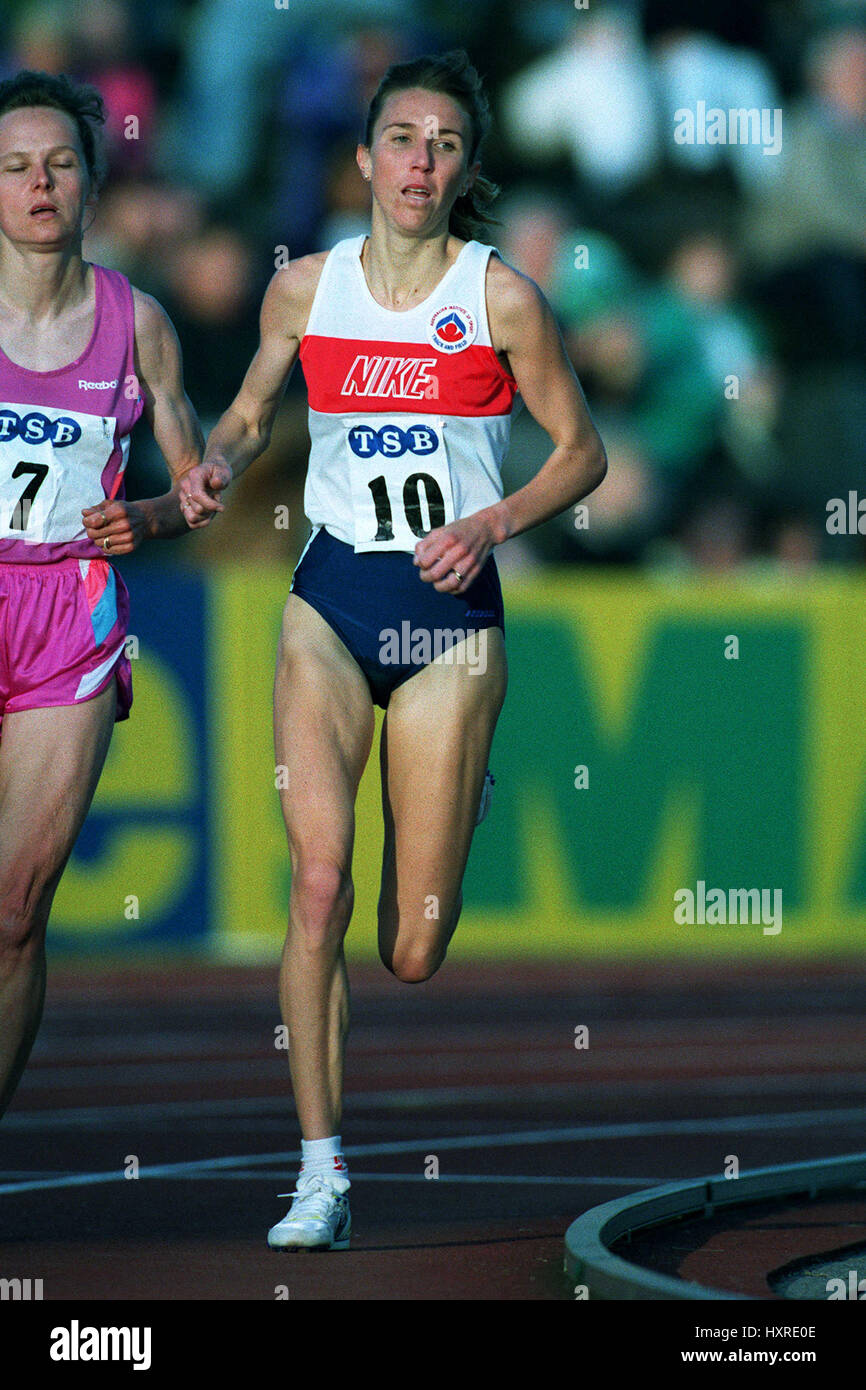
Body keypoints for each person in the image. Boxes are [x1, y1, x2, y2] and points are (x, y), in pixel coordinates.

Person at [179, 50, 607, 1251]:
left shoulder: (500, 296)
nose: (421, 162)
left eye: (445, 144)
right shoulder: (304, 289)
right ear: (364, 158)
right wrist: (216, 456)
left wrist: (493, 520)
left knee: (410, 949)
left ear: (462, 168)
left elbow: (580, 451)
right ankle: (318, 1172)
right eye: (402, 140)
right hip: (329, 599)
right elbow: (253, 410)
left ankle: (459, 782)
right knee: (316, 882)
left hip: (448, 619)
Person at [0, 71, 203, 1118]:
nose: (40, 183)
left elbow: (196, 483)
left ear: (90, 183)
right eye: (16, 166)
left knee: (17, 908)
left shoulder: (139, 322)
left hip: (66, 621)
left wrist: (156, 517)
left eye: (61, 164)